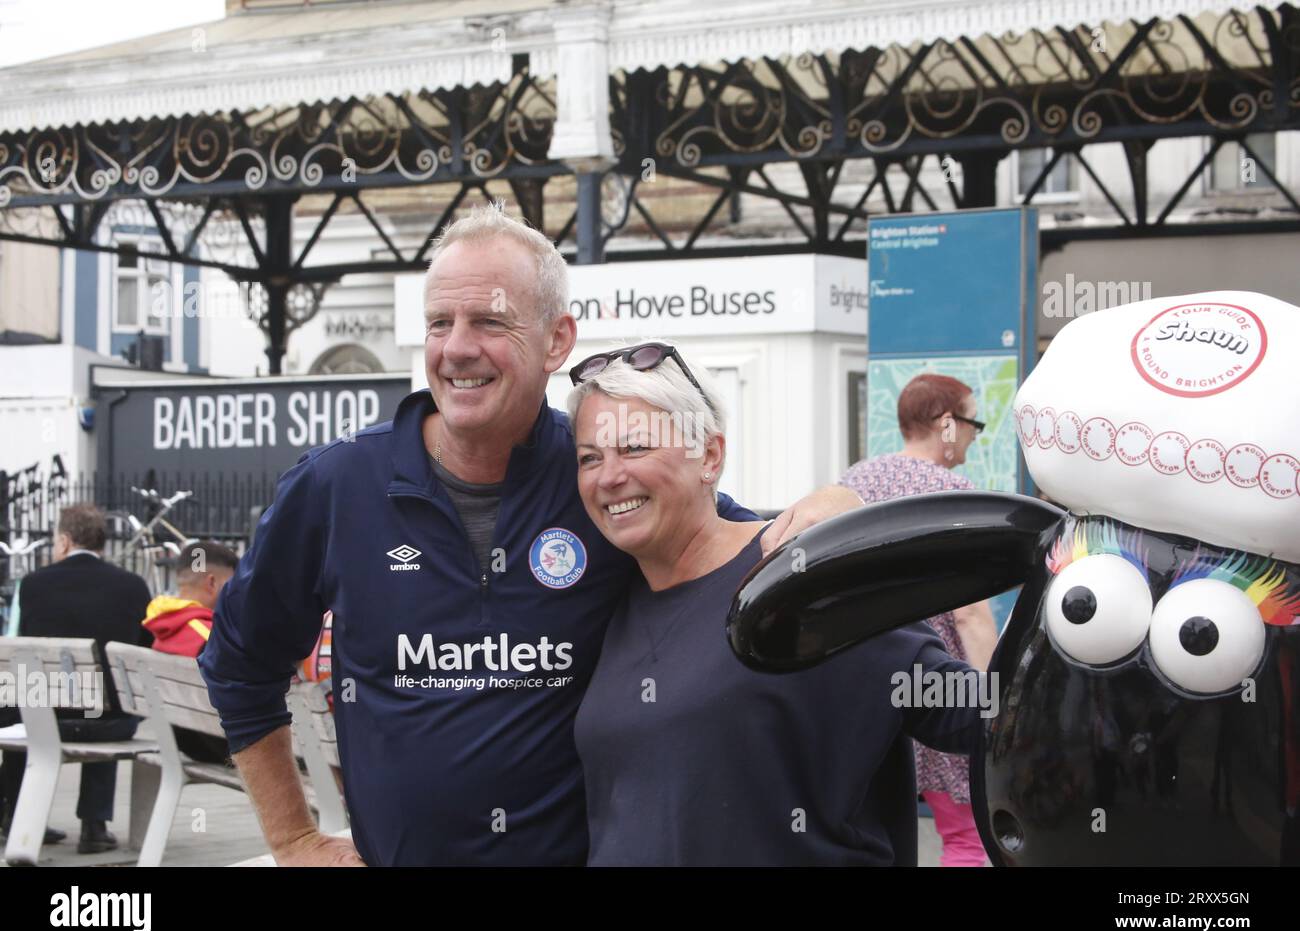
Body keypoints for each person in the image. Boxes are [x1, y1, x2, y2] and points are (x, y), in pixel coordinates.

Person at [198, 203, 862, 866]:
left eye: (489, 321)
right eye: (439, 323)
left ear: (556, 341)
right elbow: (238, 662)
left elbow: (724, 541)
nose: (457, 347)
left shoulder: (601, 482)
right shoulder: (337, 485)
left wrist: (839, 501)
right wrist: (294, 839)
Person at [567, 342, 983, 864]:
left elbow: (971, 712)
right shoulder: (610, 598)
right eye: (589, 458)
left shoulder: (797, 578)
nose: (608, 476)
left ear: (710, 456)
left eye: (634, 448)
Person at [838, 372, 998, 866]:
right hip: (936, 686)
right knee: (967, 835)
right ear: (947, 424)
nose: (974, 434)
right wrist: (996, 702)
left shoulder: (853, 481)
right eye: (974, 422)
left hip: (858, 683)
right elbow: (970, 613)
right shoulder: (953, 493)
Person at [0, 504, 152, 853]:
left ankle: (15, 817)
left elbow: (24, 652)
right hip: (111, 723)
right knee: (105, 700)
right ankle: (94, 826)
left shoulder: (33, 585)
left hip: (42, 720)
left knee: (28, 700)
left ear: (65, 541)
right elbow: (144, 650)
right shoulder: (133, 586)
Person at [143, 540, 239, 763]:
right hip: (222, 746)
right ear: (212, 583)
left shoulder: (161, 626)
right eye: (233, 584)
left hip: (185, 739)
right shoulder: (209, 635)